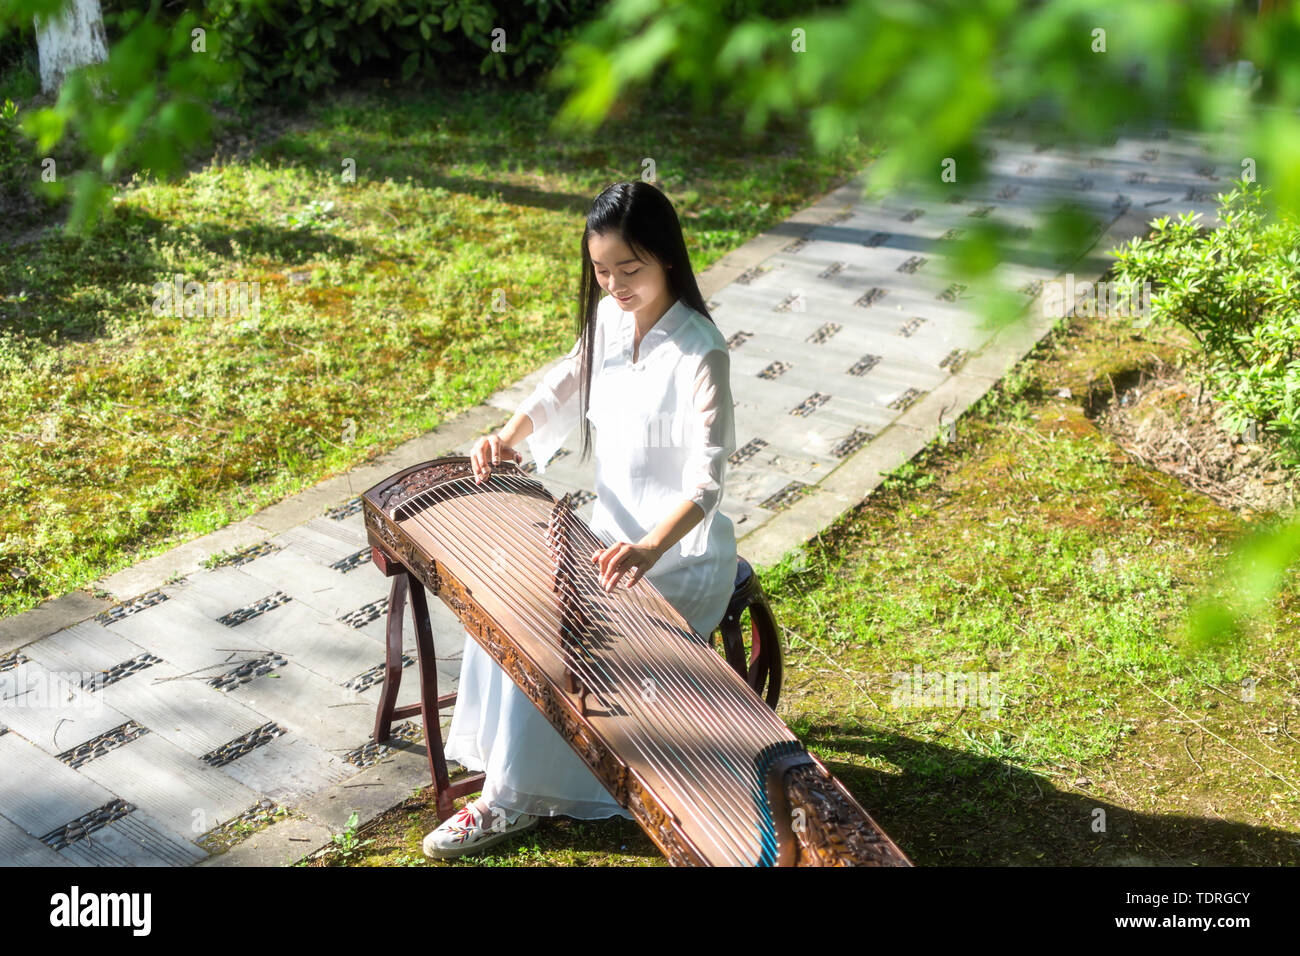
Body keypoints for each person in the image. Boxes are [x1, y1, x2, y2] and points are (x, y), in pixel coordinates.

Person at [423, 181, 738, 859]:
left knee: (552, 627)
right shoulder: (608, 322)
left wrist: (650, 548)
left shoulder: (699, 350)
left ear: (669, 260)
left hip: (675, 554)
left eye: (631, 269)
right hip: (609, 538)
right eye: (602, 271)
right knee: (502, 600)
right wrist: (507, 437)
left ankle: (509, 801)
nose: (617, 285)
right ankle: (506, 772)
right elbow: (564, 383)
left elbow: (707, 480)